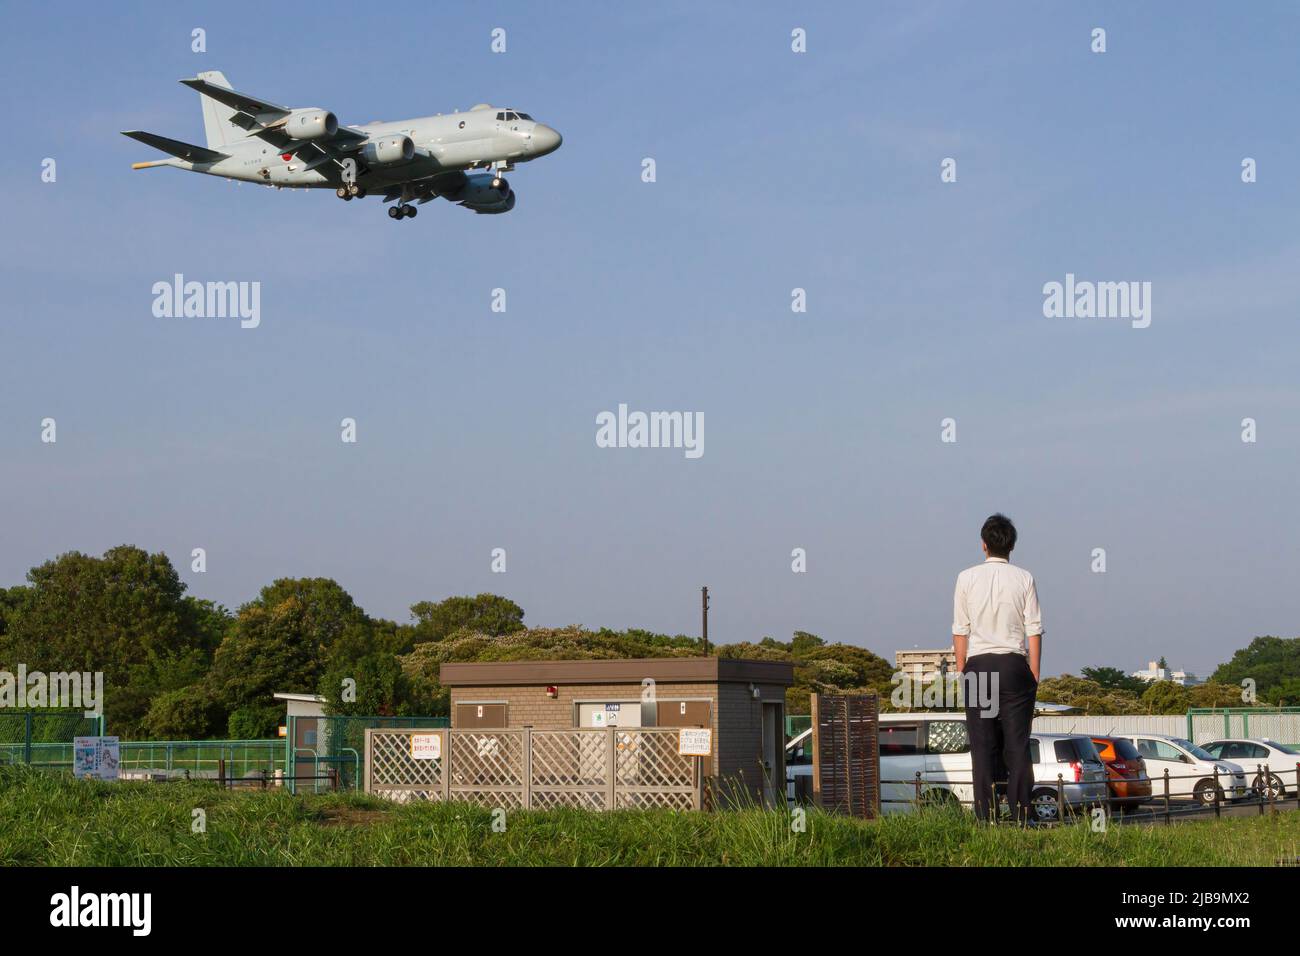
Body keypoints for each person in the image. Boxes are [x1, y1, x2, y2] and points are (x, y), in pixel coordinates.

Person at [952, 513, 1042, 823]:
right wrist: (1034, 672)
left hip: (979, 666)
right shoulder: (1024, 578)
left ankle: (985, 817)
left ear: (984, 545)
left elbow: (960, 629)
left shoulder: (965, 578)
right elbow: (1034, 629)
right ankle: (1021, 816)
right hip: (1014, 664)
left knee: (983, 744)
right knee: (1017, 745)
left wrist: (963, 668)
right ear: (1011, 546)